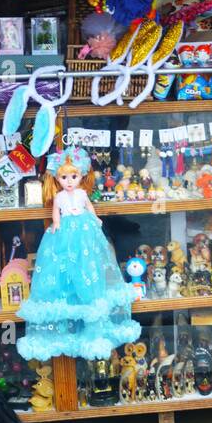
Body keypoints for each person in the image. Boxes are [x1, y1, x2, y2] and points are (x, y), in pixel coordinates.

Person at [17, 147, 140, 360]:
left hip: (85, 232)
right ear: (57, 178)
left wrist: (96, 219)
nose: (69, 181)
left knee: (90, 263)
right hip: (65, 233)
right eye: (64, 177)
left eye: (73, 176)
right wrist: (56, 223)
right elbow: (56, 213)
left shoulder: (82, 194)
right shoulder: (59, 197)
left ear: (81, 175)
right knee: (63, 266)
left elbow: (89, 207)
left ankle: (92, 324)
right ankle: (68, 322)